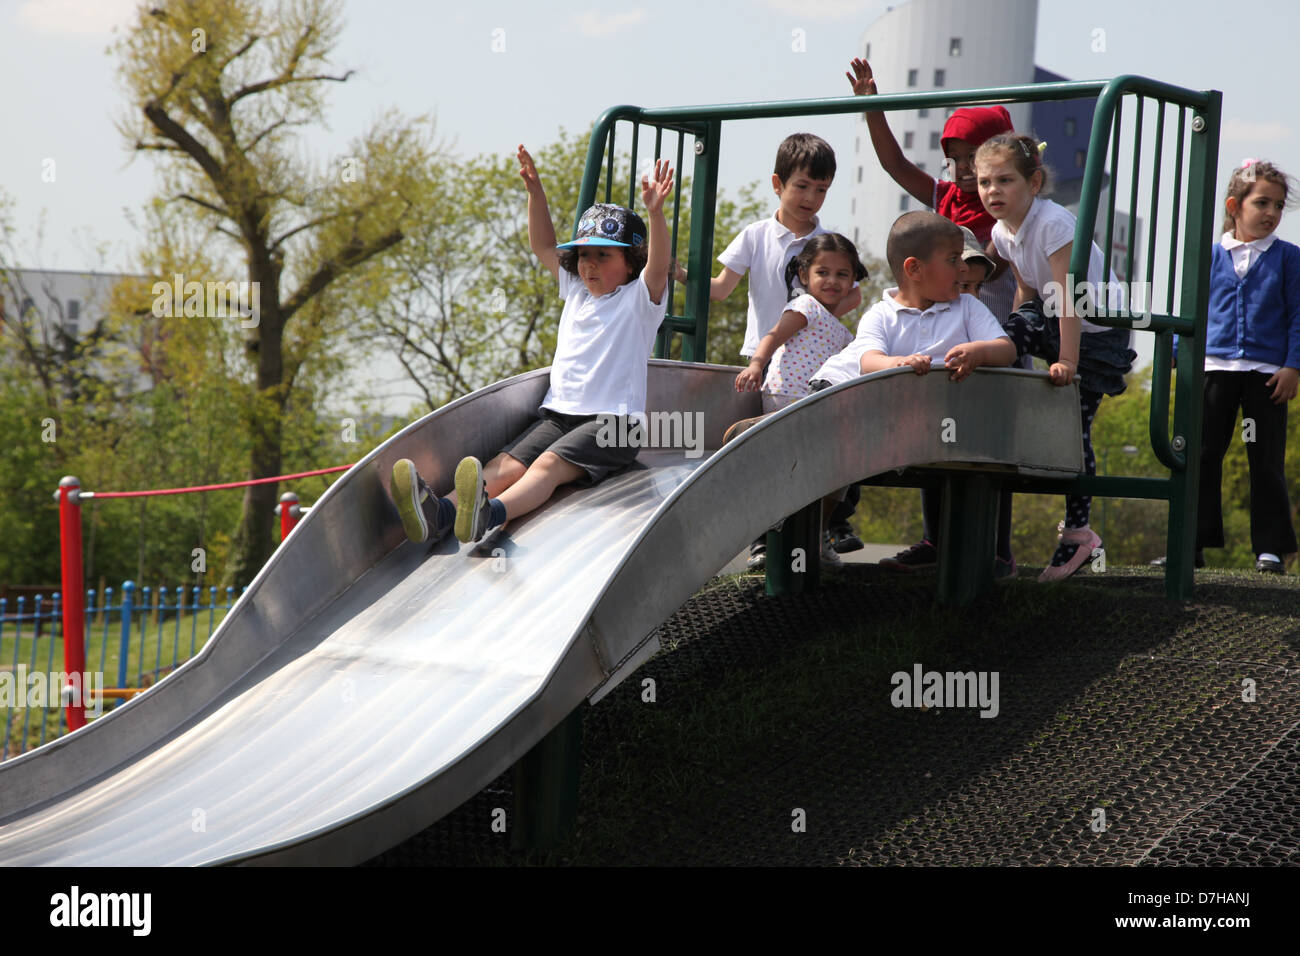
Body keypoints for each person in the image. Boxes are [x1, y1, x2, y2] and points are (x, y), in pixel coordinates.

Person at [389, 145, 674, 546]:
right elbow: (543, 245)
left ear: (630, 263)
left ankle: (491, 514)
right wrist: (535, 194)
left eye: (603, 256)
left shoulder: (639, 300)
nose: (589, 264)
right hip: (559, 414)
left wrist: (657, 214)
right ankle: (441, 513)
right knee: (503, 464)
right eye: (584, 256)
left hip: (614, 425)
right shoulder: (576, 291)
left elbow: (659, 264)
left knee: (549, 465)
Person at [682, 131, 861, 569]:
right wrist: (678, 274)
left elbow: (853, 294)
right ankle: (767, 536)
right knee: (770, 450)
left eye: (821, 190)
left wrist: (824, 302)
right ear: (778, 183)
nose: (811, 198)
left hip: (816, 363)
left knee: (827, 444)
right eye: (802, 186)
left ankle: (828, 526)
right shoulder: (757, 235)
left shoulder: (828, 242)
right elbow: (722, 289)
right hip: (766, 363)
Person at [809, 212, 1017, 574]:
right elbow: (868, 359)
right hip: (857, 406)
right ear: (914, 269)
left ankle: (958, 551)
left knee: (963, 456)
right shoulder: (881, 314)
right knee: (819, 451)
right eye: (953, 260)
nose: (962, 271)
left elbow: (1006, 349)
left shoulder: (966, 307)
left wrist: (978, 352)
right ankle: (807, 536)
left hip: (918, 421)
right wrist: (899, 363)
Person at [974, 132, 1137, 581]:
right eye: (984, 182)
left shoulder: (1053, 223)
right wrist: (1014, 351)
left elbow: (1069, 300)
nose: (992, 191)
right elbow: (1027, 292)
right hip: (1058, 322)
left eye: (1004, 180)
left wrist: (1066, 359)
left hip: (1097, 336)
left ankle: (1079, 533)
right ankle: (991, 381)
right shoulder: (1003, 232)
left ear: (1034, 182)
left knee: (1073, 427)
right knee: (1016, 325)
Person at [727, 233, 867, 566]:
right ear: (804, 276)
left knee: (835, 473)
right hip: (787, 395)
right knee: (783, 467)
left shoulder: (843, 331)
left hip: (815, 403)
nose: (832, 281)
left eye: (842, 274)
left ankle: (818, 533)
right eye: (823, 272)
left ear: (853, 282)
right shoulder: (805, 306)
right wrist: (757, 364)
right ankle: (763, 539)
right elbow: (774, 335)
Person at [846, 57, 1017, 324]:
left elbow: (988, 270)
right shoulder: (947, 197)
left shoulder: (1008, 209)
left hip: (998, 331)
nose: (962, 168)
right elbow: (896, 165)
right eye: (954, 158)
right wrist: (872, 107)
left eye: (973, 156)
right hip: (948, 331)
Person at [1196, 159, 1300, 573]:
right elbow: (1189, 306)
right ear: (1235, 206)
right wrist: (1175, 354)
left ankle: (1271, 549)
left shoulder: (1289, 258)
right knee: (1203, 454)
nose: (1272, 213)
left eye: (1278, 205)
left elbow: (1298, 315)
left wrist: (1293, 365)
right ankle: (1193, 542)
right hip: (1213, 369)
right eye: (1262, 203)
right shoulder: (1208, 254)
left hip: (1267, 376)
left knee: (1265, 457)